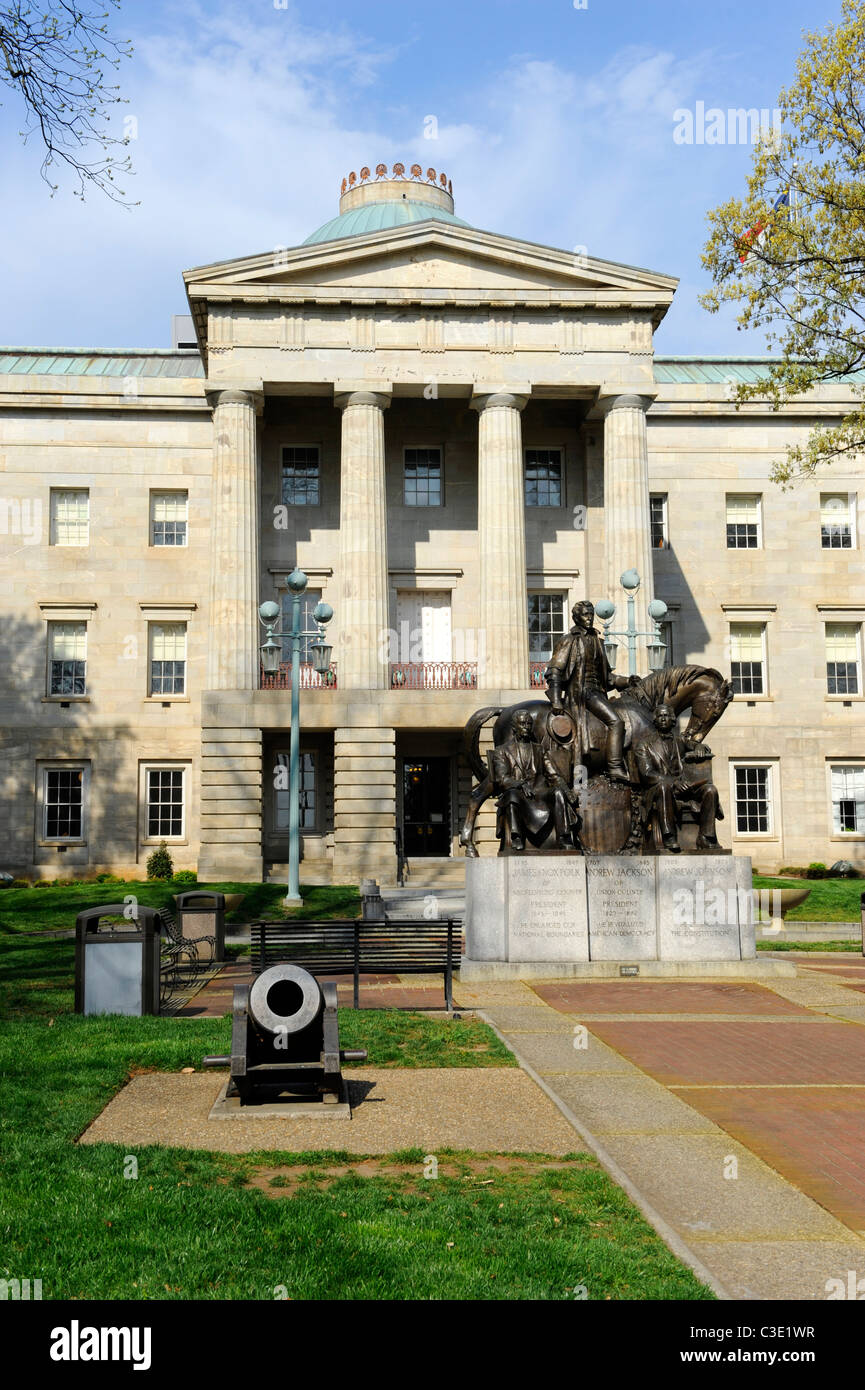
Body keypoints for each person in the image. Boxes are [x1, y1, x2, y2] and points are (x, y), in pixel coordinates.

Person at [544, 599, 639, 783]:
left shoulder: (598, 641)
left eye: (591, 615)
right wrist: (556, 699)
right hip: (582, 694)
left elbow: (608, 678)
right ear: (576, 617)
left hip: (598, 691)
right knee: (616, 722)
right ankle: (615, 767)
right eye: (585, 615)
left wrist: (627, 681)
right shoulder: (568, 640)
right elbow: (555, 671)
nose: (589, 618)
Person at [633, 703, 723, 852]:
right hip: (658, 789)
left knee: (710, 790)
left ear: (673, 720)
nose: (663, 719)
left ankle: (706, 837)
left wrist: (699, 747)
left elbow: (694, 744)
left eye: (666, 715)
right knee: (664, 787)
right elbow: (647, 773)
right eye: (660, 716)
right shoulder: (644, 745)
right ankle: (669, 836)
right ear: (655, 720)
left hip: (684, 788)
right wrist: (673, 782)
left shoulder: (679, 741)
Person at [490, 710, 582, 852]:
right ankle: (516, 837)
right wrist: (519, 784)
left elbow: (553, 774)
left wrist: (567, 791)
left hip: (539, 793)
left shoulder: (539, 749)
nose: (526, 727)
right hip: (519, 793)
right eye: (522, 724)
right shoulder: (502, 751)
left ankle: (564, 838)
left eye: (528, 724)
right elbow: (502, 779)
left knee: (557, 793)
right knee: (512, 794)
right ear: (514, 727)